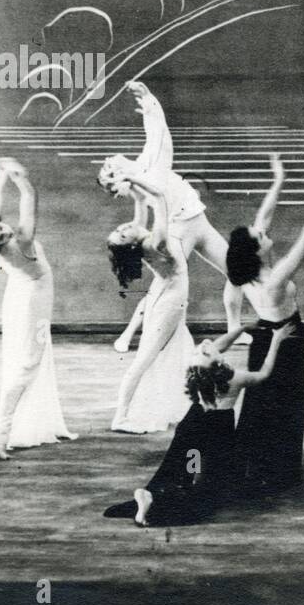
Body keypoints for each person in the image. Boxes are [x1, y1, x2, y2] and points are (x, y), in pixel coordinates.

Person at [98, 81, 243, 350]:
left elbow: (153, 138)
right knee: (166, 284)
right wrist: (151, 103)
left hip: (199, 220)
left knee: (236, 271)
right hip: (181, 229)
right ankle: (129, 334)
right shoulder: (145, 174)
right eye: (108, 171)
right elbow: (161, 141)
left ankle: (235, 329)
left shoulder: (142, 165)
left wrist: (149, 103)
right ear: (119, 182)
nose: (108, 160)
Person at [226, 158, 304, 491]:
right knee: (288, 400)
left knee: (263, 402)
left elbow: (263, 219)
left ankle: (259, 464)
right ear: (257, 251)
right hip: (286, 337)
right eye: (260, 237)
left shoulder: (250, 271)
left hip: (267, 335)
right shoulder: (272, 280)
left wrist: (278, 179)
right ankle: (278, 472)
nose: (264, 233)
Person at [104, 322, 292, 526]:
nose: (205, 343)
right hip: (215, 430)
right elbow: (264, 374)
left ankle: (151, 494)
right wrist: (277, 339)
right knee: (204, 485)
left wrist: (243, 327)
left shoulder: (198, 371)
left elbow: (219, 346)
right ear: (218, 362)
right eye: (205, 350)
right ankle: (157, 507)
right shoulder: (234, 379)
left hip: (192, 424)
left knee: (183, 467)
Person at [0, 157, 74, 457]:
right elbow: (30, 197)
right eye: (2, 236)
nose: (7, 231)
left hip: (19, 294)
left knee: (27, 359)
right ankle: (1, 430)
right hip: (33, 300)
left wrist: (2, 174)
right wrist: (19, 175)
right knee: (28, 364)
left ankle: (31, 422)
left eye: (2, 228)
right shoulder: (22, 242)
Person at [106, 168, 194, 432]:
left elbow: (141, 205)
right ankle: (120, 417)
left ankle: (188, 401)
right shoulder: (155, 243)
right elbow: (159, 198)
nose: (123, 227)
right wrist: (131, 178)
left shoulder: (140, 236)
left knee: (181, 349)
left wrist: (131, 189)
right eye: (121, 234)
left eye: (118, 229)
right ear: (131, 245)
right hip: (169, 300)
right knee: (145, 359)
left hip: (165, 293)